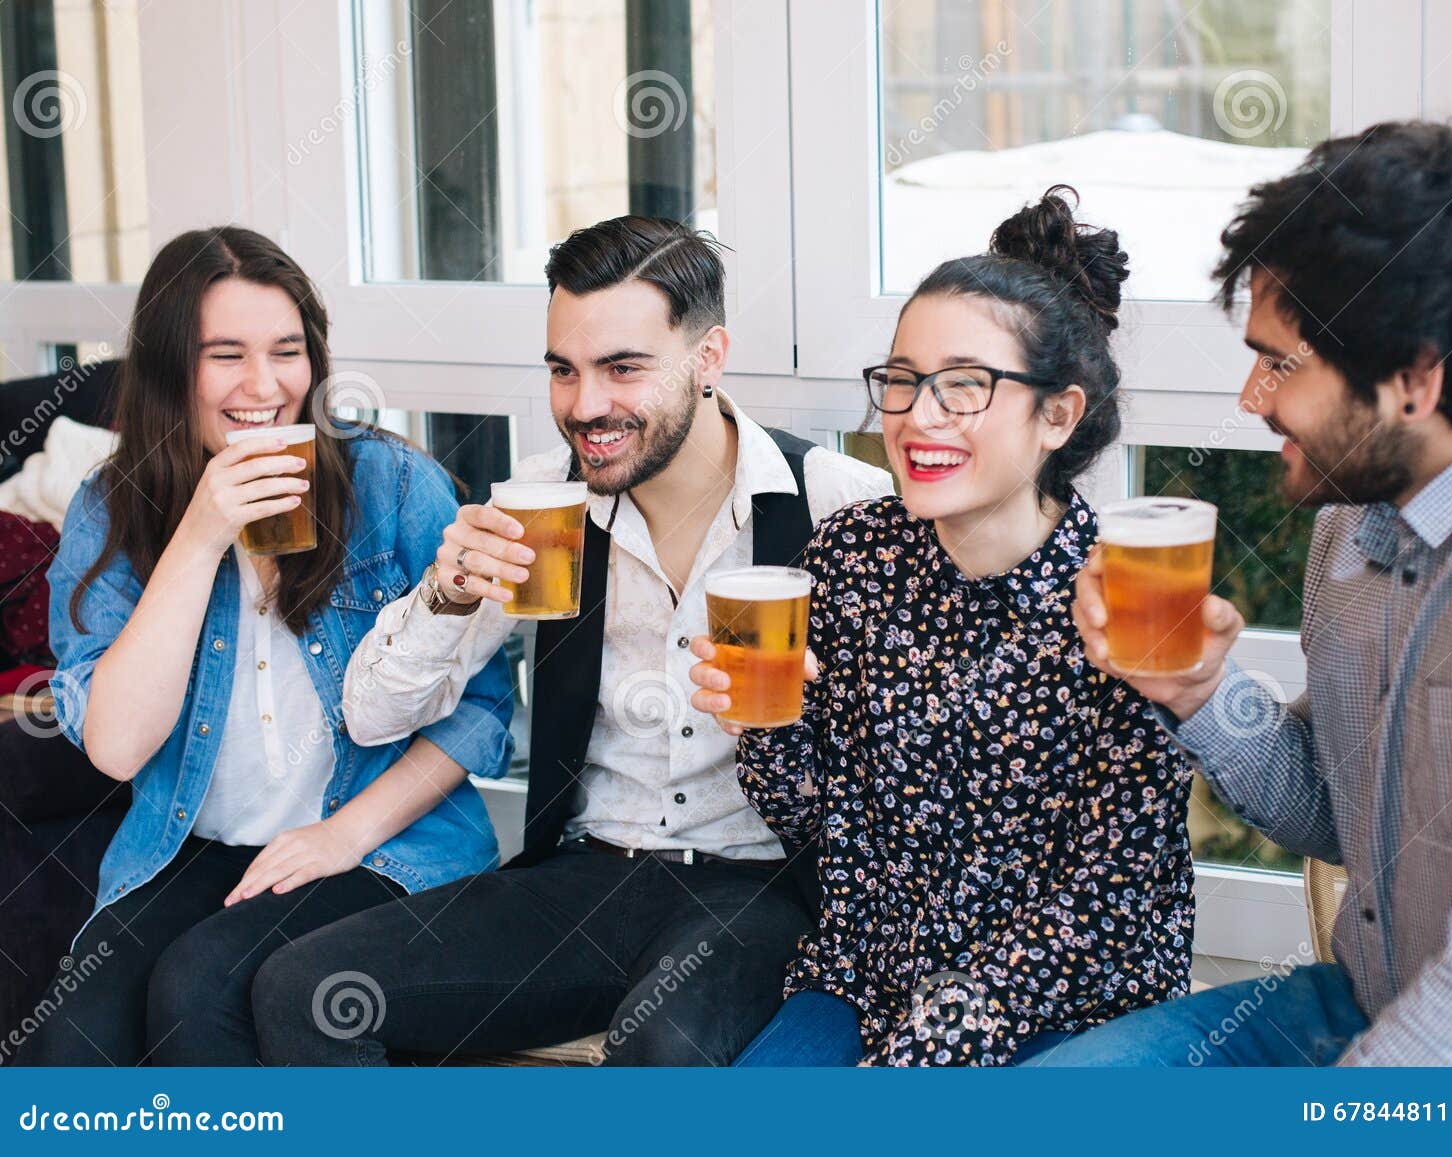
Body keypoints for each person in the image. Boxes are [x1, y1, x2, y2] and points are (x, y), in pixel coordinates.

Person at [250, 216, 893, 1066]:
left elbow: (908, 770)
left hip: (760, 884)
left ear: (708, 358)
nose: (586, 406)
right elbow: (370, 716)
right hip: (587, 873)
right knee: (304, 994)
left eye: (623, 368)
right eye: (564, 370)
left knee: (663, 1045)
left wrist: (820, 716)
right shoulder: (541, 504)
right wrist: (445, 594)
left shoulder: (842, 503)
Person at [1038, 121, 1452, 1066]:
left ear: (1415, 379)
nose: (1253, 399)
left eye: (1281, 361)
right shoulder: (1358, 511)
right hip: (1360, 1003)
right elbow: (1341, 813)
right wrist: (1196, 690)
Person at [688, 188, 1196, 1066]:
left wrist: (933, 1042)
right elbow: (820, 830)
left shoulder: (1131, 595)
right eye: (902, 381)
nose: (918, 416)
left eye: (965, 386)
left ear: (1057, 415)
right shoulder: (854, 554)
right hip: (866, 976)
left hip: (1066, 1005)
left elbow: (1111, 897)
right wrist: (763, 730)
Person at [13, 227, 513, 1066]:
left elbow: (485, 711)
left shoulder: (390, 485)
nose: (264, 385)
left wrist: (342, 837)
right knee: (74, 1038)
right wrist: (201, 533)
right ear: (173, 368)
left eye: (287, 351)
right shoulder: (112, 506)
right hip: (192, 842)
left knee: (200, 991)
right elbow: (115, 744)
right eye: (225, 354)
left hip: (377, 843)